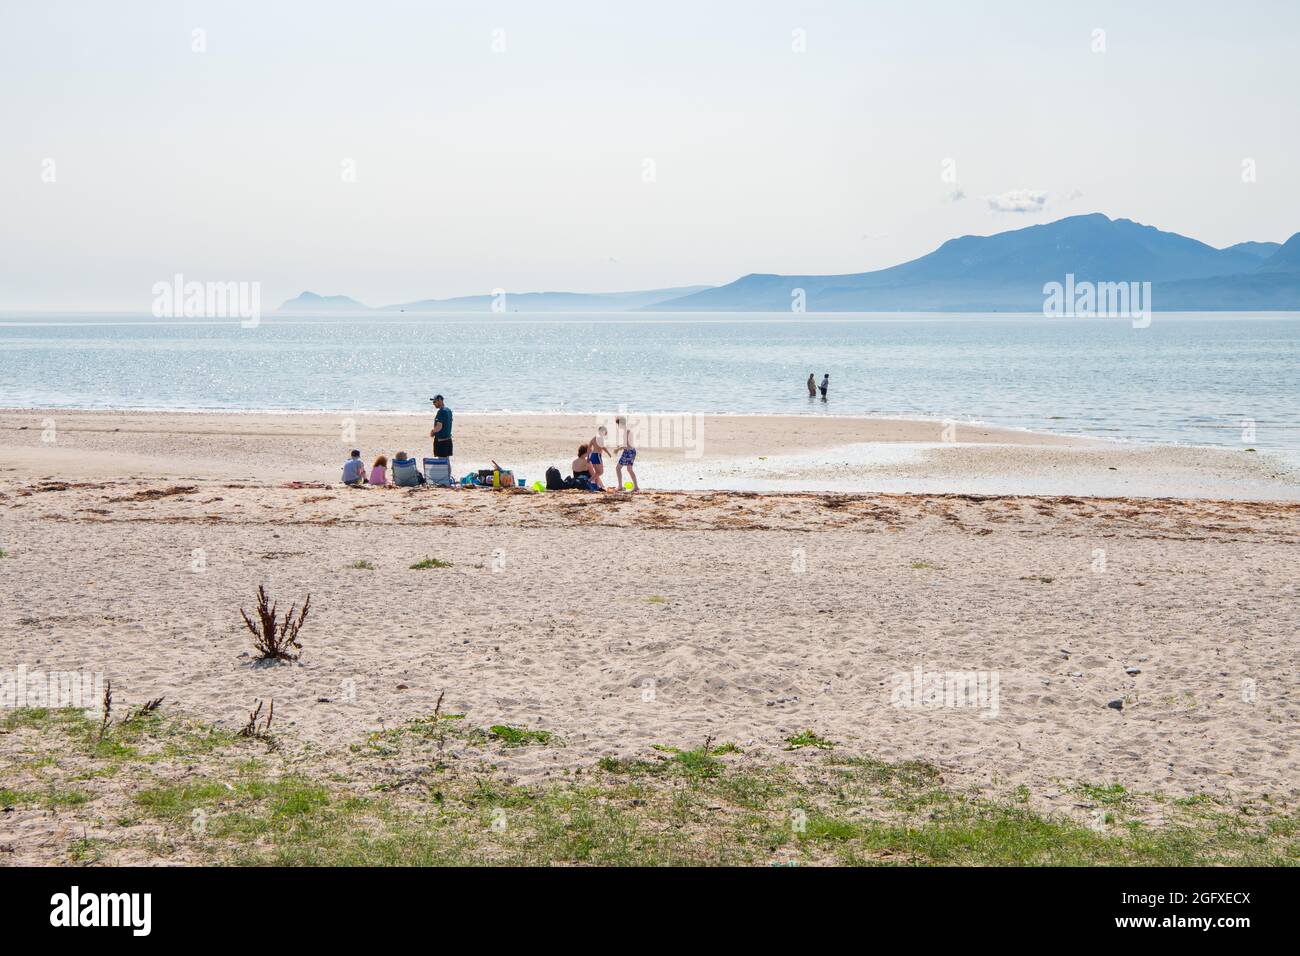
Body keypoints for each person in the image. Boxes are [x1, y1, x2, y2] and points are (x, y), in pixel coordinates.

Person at [614, 415, 638, 492]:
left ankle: (620, 486)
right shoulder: (628, 430)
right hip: (632, 451)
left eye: (618, 424)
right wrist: (620, 446)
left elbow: (626, 445)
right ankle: (636, 486)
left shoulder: (625, 431)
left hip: (628, 452)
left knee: (618, 468)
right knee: (629, 469)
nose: (618, 426)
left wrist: (618, 449)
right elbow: (628, 444)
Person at [429, 394, 453, 472]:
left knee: (442, 461)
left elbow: (439, 426)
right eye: (433, 402)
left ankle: (444, 480)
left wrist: (433, 432)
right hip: (448, 439)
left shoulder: (441, 412)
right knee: (446, 460)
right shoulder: (448, 410)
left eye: (435, 402)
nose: (434, 404)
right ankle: (447, 478)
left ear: (440, 400)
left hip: (441, 440)